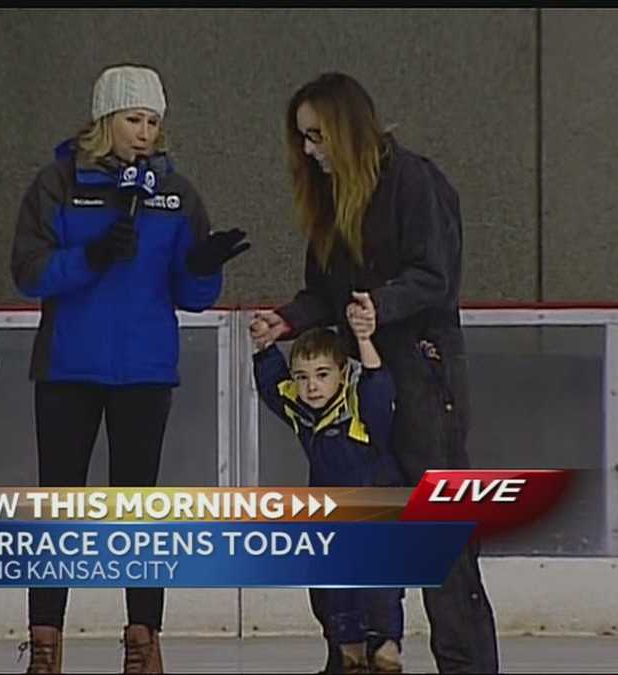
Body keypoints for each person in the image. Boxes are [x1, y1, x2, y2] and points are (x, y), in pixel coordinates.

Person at [249, 72, 500, 673]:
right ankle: (351, 651)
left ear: (346, 127)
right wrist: (285, 321)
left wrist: (379, 305)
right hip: (362, 375)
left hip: (420, 366)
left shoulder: (415, 181)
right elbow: (324, 291)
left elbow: (435, 274)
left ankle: (464, 663)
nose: (309, 151)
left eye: (317, 136)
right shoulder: (332, 197)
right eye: (302, 139)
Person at [10, 63, 250, 674]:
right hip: (68, 368)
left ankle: (142, 642)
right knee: (58, 509)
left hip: (143, 371)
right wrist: (88, 256)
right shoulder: (57, 183)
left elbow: (193, 296)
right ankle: (45, 644)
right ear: (105, 121)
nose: (144, 133)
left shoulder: (176, 193)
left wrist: (203, 263)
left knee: (138, 510)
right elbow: (29, 271)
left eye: (152, 122)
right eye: (133, 119)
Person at [251, 292, 407, 674]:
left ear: (342, 373)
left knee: (378, 586)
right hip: (328, 512)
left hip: (376, 508)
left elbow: (378, 386)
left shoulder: (358, 403)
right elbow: (273, 384)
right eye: (303, 377)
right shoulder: (297, 405)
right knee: (329, 590)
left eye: (322, 375)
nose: (312, 386)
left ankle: (386, 647)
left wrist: (365, 341)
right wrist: (264, 348)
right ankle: (347, 652)